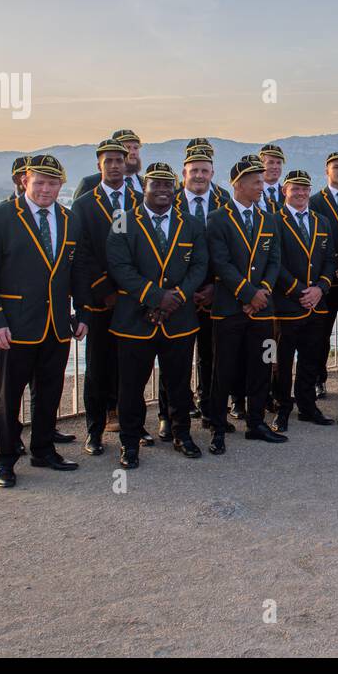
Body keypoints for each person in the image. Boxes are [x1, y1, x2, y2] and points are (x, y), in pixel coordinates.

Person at [0, 155, 89, 488]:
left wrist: (83, 312)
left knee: (49, 392)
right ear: (25, 181)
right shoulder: (0, 216)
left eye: (53, 184)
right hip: (12, 327)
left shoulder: (69, 219)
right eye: (40, 182)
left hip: (56, 325)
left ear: (61, 186)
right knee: (8, 398)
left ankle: (43, 449)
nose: (46, 189)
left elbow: (77, 269)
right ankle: (5, 460)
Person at [106, 163, 210, 467]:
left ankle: (182, 435)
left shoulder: (190, 224)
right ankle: (130, 443)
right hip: (135, 319)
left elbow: (199, 266)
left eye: (168, 185)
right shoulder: (123, 221)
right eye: (156, 185)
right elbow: (120, 267)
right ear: (144, 188)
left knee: (178, 384)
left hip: (179, 318)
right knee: (131, 386)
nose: (163, 190)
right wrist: (156, 297)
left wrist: (176, 297)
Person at [206, 155, 287, 452]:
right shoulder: (217, 219)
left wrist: (262, 292)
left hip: (263, 310)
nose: (261, 186)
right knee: (223, 369)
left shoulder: (269, 219)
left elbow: (274, 260)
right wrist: (247, 293)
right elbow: (221, 262)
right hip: (229, 309)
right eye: (256, 181)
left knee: (262, 365)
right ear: (238, 184)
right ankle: (217, 426)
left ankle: (256, 422)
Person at [71, 138, 140, 455]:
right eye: (108, 160)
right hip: (99, 301)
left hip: (132, 298)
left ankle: (132, 427)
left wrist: (133, 288)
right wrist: (104, 289)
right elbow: (82, 254)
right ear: (99, 164)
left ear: (127, 163)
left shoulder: (140, 201)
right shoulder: (85, 204)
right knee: (97, 368)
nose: (115, 165)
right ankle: (94, 430)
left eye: (119, 160)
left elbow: (146, 252)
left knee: (131, 366)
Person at [164, 147, 228, 433]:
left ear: (212, 173)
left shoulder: (225, 200)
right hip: (177, 294)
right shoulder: (169, 200)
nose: (199, 175)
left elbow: (232, 250)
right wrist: (182, 290)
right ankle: (169, 416)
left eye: (205, 170)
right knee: (174, 356)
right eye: (194, 170)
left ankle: (211, 410)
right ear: (184, 174)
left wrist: (216, 284)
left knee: (212, 355)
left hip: (216, 291)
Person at [271, 170, 335, 430]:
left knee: (311, 358)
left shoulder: (322, 221)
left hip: (316, 304)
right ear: (285, 190)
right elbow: (274, 262)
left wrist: (320, 288)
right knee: (281, 361)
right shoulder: (273, 220)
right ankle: (282, 408)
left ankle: (308, 406)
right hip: (286, 305)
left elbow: (330, 259)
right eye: (295, 188)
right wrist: (299, 291)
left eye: (305, 188)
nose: (300, 193)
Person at [308, 152, 338, 401]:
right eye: (336, 167)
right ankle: (319, 380)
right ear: (327, 171)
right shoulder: (315, 201)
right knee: (321, 336)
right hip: (325, 280)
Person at [75, 129, 144, 198]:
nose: (133, 152)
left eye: (136, 148)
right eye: (127, 148)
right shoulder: (90, 183)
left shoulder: (146, 184)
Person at [258, 143, 285, 212]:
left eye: (279, 163)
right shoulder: (253, 194)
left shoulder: (288, 195)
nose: (275, 167)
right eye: (271, 162)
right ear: (261, 165)